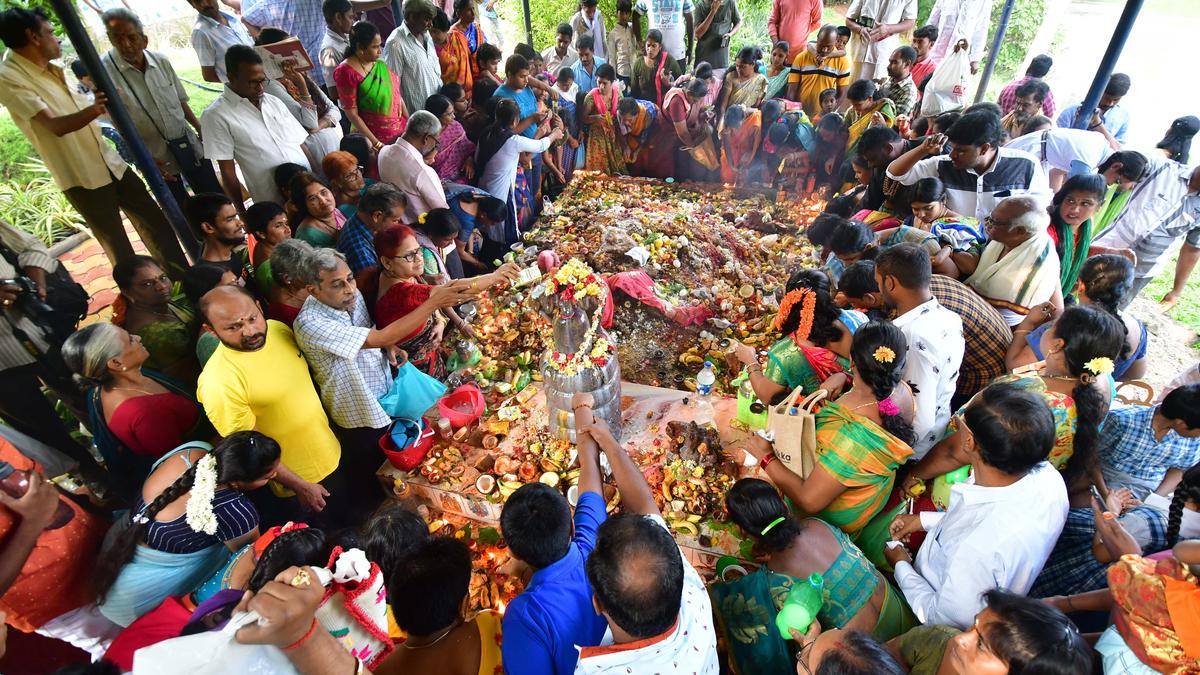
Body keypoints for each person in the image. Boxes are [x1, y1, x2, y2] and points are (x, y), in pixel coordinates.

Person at [0, 7, 189, 271]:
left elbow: (83, 113)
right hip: (80, 175)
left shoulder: (53, 68)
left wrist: (100, 105)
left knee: (156, 223)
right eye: (51, 33)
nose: (58, 39)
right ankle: (145, 293)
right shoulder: (9, 77)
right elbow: (55, 125)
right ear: (34, 37)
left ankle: (182, 282)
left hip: (109, 162)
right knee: (118, 246)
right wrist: (97, 107)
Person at [885, 382, 1066, 628]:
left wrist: (900, 565)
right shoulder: (1049, 480)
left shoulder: (980, 549)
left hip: (925, 617)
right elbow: (970, 522)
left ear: (969, 441)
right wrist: (922, 521)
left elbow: (940, 619)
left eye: (960, 422)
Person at [731, 321, 915, 557]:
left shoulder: (852, 437)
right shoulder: (901, 392)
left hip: (832, 519)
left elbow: (809, 500)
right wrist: (843, 377)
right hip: (867, 494)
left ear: (852, 360)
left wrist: (765, 456)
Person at [711, 478, 916, 674]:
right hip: (903, 618)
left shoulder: (775, 578)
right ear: (783, 505)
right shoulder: (817, 525)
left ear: (742, 531)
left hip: (867, 658)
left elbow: (794, 629)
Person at [571, 409, 719, 673]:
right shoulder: (693, 594)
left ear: (598, 604)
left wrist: (589, 456)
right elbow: (643, 504)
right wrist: (608, 442)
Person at [95, 432, 278, 626]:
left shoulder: (193, 449)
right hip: (137, 597)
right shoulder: (234, 509)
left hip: (117, 550)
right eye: (268, 476)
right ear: (237, 481)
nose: (275, 475)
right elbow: (249, 558)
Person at [196, 286, 342, 520]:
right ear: (211, 330)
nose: (250, 331)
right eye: (233, 327)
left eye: (252, 318)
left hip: (331, 449)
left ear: (259, 306)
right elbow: (251, 449)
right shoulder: (219, 382)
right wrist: (301, 486)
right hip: (299, 484)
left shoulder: (277, 329)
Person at [0, 439, 119, 659]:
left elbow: (35, 479)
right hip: (58, 595)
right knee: (133, 646)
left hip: (95, 540)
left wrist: (91, 510)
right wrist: (33, 522)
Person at [63, 322, 211, 497]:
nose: (138, 337)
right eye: (130, 340)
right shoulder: (144, 414)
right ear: (116, 363)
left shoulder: (117, 382)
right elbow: (184, 462)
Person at [837, 258, 1009, 407]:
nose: (853, 307)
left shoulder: (908, 326)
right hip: (999, 344)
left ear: (871, 297)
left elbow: (920, 402)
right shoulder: (917, 286)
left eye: (853, 304)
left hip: (983, 374)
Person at [100, 8, 223, 207]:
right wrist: (143, 159)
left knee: (213, 198)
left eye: (131, 37)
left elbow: (181, 100)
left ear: (144, 40)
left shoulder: (160, 61)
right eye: (118, 38)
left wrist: (200, 129)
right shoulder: (103, 71)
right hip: (153, 155)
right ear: (110, 38)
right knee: (179, 206)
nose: (126, 45)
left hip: (186, 142)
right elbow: (116, 123)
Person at [369, 225, 509, 376]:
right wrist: (493, 277)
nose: (419, 258)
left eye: (418, 250)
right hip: (417, 373)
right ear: (387, 262)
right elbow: (452, 290)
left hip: (431, 358)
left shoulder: (400, 273)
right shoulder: (401, 293)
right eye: (409, 255)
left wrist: (440, 321)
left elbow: (434, 299)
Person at [872, 244, 963, 458]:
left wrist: (892, 457)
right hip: (940, 424)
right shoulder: (949, 316)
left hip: (915, 449)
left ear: (890, 283)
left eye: (878, 283)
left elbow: (920, 417)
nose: (879, 289)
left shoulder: (911, 337)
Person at [888, 111, 1052, 223]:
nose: (952, 155)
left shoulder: (1025, 166)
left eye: (961, 151)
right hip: (954, 247)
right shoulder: (944, 164)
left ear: (984, 148)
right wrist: (923, 149)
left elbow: (1039, 212)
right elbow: (895, 174)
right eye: (953, 148)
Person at [201, 45, 311, 208]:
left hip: (308, 189)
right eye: (252, 82)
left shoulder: (273, 101)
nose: (260, 88)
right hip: (273, 201)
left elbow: (300, 144)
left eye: (262, 80)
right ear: (231, 77)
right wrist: (241, 211)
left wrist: (317, 178)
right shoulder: (216, 115)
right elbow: (228, 171)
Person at [1008, 254, 1147, 382]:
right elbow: (1136, 373)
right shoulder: (1138, 329)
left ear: (1081, 286)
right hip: (1088, 395)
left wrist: (1028, 323)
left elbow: (1014, 367)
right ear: (1124, 291)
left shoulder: (1065, 328)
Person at [890, 589, 1091, 675]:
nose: (960, 639)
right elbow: (885, 657)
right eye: (974, 625)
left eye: (981, 645)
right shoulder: (938, 640)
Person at [732, 269, 858, 405]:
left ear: (788, 302)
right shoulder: (852, 320)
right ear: (828, 296)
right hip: (861, 402)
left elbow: (766, 396)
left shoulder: (786, 352)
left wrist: (750, 359)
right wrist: (843, 376)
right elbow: (866, 365)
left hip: (826, 414)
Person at [1094, 164, 1200, 309]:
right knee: (1071, 294)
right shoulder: (1162, 168)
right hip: (1105, 249)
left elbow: (1192, 249)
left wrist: (1176, 292)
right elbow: (1121, 166)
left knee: (1107, 313)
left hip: (1140, 272)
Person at [253, 28, 344, 171]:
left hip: (331, 143)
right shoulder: (271, 85)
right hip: (312, 151)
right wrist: (302, 86)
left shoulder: (301, 76)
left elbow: (334, 110)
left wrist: (320, 125)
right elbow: (309, 122)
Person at [963, 196, 1062, 326]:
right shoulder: (1018, 238)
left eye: (994, 221)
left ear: (1019, 231)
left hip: (997, 326)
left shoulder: (1023, 275)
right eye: (990, 217)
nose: (987, 223)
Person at [477, 98, 562, 243]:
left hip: (484, 186)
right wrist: (554, 134)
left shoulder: (486, 133)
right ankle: (506, 249)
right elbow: (540, 146)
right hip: (501, 191)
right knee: (502, 226)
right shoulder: (512, 141)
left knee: (489, 226)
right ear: (516, 120)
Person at [1098, 385, 1200, 502]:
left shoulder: (1193, 441)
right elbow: (1090, 456)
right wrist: (1106, 495)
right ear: (1180, 423)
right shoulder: (1122, 420)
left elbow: (1179, 470)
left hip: (1150, 491)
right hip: (1105, 479)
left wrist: (1151, 501)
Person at [111, 256, 201, 384]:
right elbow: (187, 376)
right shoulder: (156, 334)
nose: (161, 286)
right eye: (147, 284)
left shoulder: (155, 304)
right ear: (126, 292)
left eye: (162, 278)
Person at [877, 177, 984, 278]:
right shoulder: (913, 220)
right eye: (916, 209)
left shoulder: (959, 226)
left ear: (943, 200)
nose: (922, 214)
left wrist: (943, 247)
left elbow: (970, 266)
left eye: (928, 208)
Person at [335, 21, 408, 152]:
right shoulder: (346, 72)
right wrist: (377, 144)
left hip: (400, 132)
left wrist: (408, 123)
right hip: (374, 140)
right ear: (360, 47)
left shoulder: (379, 63)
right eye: (375, 47)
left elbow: (397, 95)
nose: (380, 51)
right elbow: (352, 115)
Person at [379, 110, 450, 223]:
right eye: (436, 141)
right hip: (423, 227)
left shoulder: (384, 152)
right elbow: (443, 213)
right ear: (426, 138)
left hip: (397, 223)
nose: (435, 145)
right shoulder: (422, 171)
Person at [381, 0, 442, 119]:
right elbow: (392, 87)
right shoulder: (395, 43)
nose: (431, 24)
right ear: (412, 17)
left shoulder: (426, 35)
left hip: (438, 111)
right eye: (427, 19)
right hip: (418, 116)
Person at [1004, 126, 1115, 190]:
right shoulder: (1090, 157)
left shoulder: (1101, 148)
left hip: (1041, 157)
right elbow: (1074, 191)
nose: (1110, 184)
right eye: (1117, 180)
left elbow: (1055, 173)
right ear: (1116, 166)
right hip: (1031, 151)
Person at [337, 182, 405, 275]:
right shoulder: (360, 252)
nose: (397, 225)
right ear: (377, 216)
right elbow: (374, 282)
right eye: (395, 220)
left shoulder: (361, 218)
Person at [844, 0, 917, 83]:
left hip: (884, 54)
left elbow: (910, 22)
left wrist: (888, 29)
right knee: (853, 85)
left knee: (877, 86)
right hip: (860, 51)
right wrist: (860, 30)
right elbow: (849, 20)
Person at [787, 25, 850, 117]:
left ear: (835, 42)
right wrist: (794, 112)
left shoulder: (842, 62)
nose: (824, 50)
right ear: (817, 39)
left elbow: (842, 93)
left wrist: (827, 114)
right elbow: (792, 90)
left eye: (828, 46)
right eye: (822, 45)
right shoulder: (801, 57)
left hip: (823, 117)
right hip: (800, 114)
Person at [186, 0, 252, 83]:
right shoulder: (201, 32)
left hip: (263, 78)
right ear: (192, 4)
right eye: (198, 1)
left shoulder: (232, 17)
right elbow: (208, 75)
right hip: (243, 87)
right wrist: (240, 84)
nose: (204, 4)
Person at [1057, 73, 1132, 145]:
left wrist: (1097, 124)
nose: (1110, 103)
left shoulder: (1123, 116)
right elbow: (1058, 137)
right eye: (1107, 98)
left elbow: (1119, 146)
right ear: (1100, 91)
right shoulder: (1072, 110)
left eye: (1116, 99)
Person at [581, 64, 625, 175]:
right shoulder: (591, 97)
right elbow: (583, 118)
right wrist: (595, 118)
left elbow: (622, 114)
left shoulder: (618, 94)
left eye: (605, 83)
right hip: (597, 137)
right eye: (599, 82)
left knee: (618, 169)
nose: (601, 86)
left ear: (612, 82)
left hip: (614, 136)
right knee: (599, 171)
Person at [616, 96, 675, 179]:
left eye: (629, 120)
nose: (626, 123)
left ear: (637, 115)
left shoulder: (648, 116)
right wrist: (626, 146)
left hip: (654, 130)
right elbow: (621, 131)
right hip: (637, 134)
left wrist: (637, 152)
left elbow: (645, 137)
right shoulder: (620, 113)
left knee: (649, 157)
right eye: (623, 120)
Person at [925, 0, 990, 73]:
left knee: (949, 77)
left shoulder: (984, 2)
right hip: (935, 52)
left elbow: (981, 30)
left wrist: (975, 59)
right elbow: (933, 20)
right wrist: (924, 42)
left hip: (958, 56)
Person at [288, 172, 346, 249]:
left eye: (323, 192)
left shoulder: (335, 211)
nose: (323, 201)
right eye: (313, 198)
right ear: (303, 205)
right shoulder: (307, 235)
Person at [265, 239, 313, 327]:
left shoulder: (292, 282)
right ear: (287, 278)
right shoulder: (285, 315)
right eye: (307, 271)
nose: (313, 273)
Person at [629, 29, 682, 107]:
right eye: (648, 45)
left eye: (654, 46)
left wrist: (669, 84)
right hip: (645, 107)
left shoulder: (668, 60)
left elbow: (680, 82)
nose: (650, 49)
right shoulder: (639, 63)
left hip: (665, 106)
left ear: (660, 47)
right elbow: (634, 90)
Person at [632, 0, 694, 65]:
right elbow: (635, 15)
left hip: (678, 54)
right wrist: (640, 42)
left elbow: (690, 20)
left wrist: (690, 49)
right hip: (654, 55)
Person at [844, 79, 896, 156]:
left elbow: (887, 137)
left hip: (869, 155)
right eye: (853, 104)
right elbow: (844, 132)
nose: (854, 108)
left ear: (870, 98)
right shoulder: (852, 111)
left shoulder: (883, 110)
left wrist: (883, 126)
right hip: (847, 153)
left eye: (858, 104)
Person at [692, 0, 740, 76]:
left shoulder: (730, 2)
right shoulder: (701, 5)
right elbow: (698, 34)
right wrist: (712, 12)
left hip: (721, 59)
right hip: (703, 57)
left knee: (720, 81)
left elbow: (738, 22)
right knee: (700, 81)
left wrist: (730, 34)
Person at [319, 0, 353, 101]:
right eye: (350, 17)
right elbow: (333, 92)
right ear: (338, 18)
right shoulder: (328, 50)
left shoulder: (346, 35)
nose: (353, 21)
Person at [718, 104, 760, 186]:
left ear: (743, 118)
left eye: (735, 127)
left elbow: (755, 144)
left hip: (746, 152)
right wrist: (731, 165)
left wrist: (747, 159)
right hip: (732, 150)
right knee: (727, 175)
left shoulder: (755, 117)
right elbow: (726, 144)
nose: (734, 130)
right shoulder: (728, 118)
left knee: (743, 177)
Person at [434, 8, 473, 94]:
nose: (432, 36)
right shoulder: (431, 50)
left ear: (445, 28)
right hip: (450, 95)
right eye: (429, 32)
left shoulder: (459, 37)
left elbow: (468, 59)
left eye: (435, 32)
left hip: (468, 91)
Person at [716, 46, 766, 112]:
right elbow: (723, 105)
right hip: (729, 115)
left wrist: (745, 110)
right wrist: (722, 118)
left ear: (753, 64)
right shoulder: (731, 77)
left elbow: (757, 105)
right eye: (737, 66)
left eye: (743, 67)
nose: (739, 70)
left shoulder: (761, 80)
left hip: (749, 115)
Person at [451, 0, 488, 80]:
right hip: (464, 78)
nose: (473, 13)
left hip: (480, 74)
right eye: (469, 10)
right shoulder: (453, 34)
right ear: (459, 13)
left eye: (473, 8)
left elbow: (485, 47)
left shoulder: (476, 27)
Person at [878, 46, 918, 118]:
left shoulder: (909, 92)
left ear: (907, 64)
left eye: (894, 62)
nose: (888, 66)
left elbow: (894, 121)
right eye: (890, 62)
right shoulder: (890, 80)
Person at [607, 0, 636, 85]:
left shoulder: (633, 28)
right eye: (621, 13)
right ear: (617, 13)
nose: (624, 16)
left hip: (635, 70)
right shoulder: (613, 34)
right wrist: (613, 78)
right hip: (622, 72)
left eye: (627, 13)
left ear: (630, 14)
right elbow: (611, 57)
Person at [909, 24, 937, 92]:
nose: (915, 45)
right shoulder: (904, 59)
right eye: (914, 41)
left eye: (920, 41)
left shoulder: (933, 70)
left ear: (931, 45)